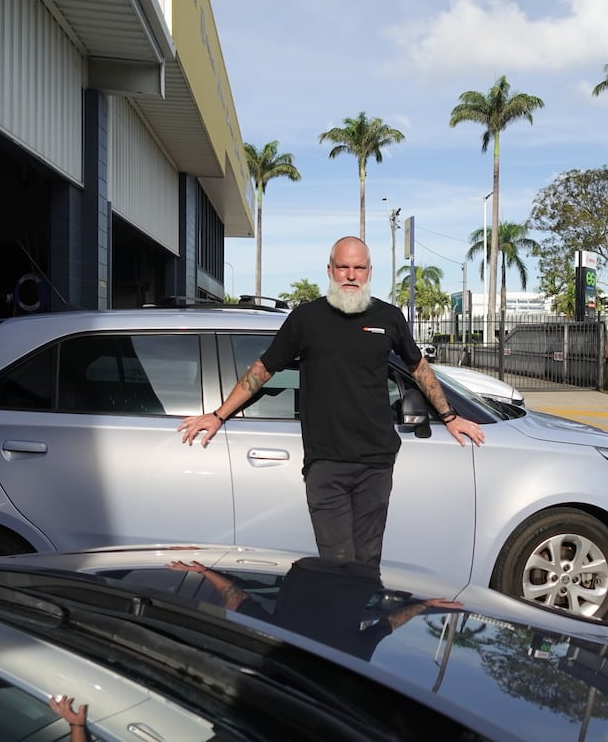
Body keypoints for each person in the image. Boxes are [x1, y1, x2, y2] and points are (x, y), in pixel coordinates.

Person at [179, 236, 484, 566]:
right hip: (326, 465)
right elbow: (263, 369)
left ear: (369, 272)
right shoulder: (306, 319)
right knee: (337, 563)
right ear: (330, 270)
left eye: (359, 268)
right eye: (343, 267)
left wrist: (449, 416)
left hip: (376, 464)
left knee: (367, 561)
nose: (351, 275)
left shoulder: (389, 317)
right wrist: (218, 415)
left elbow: (417, 367)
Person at [170, 558, 462, 662]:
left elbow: (388, 624)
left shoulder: (352, 660)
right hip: (311, 569)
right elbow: (236, 598)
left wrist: (423, 605)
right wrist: (205, 571)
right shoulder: (276, 645)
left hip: (361, 576)